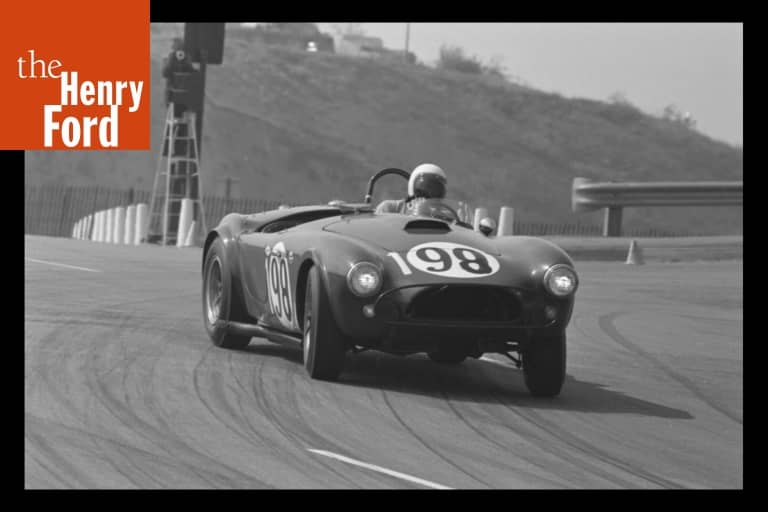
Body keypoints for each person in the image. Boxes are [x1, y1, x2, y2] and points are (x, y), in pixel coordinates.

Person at [376, 163, 448, 214]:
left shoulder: (443, 218)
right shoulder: (390, 208)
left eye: (436, 190)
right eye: (425, 188)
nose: (430, 195)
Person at [162, 38, 196, 117]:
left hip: (183, 97)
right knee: (175, 117)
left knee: (179, 118)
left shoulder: (187, 58)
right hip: (174, 96)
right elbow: (165, 73)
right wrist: (171, 62)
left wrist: (186, 63)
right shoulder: (171, 57)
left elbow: (191, 72)